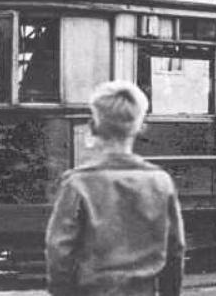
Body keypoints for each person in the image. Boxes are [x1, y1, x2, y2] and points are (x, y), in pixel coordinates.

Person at [45, 80, 185, 296]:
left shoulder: (77, 184)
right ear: (140, 128)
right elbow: (175, 252)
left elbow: (59, 254)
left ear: (93, 126)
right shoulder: (161, 182)